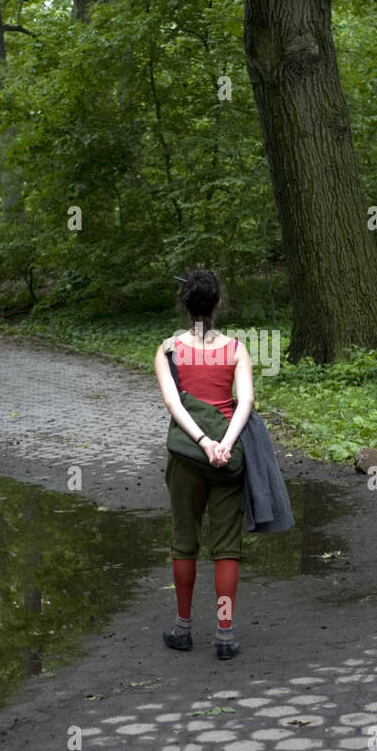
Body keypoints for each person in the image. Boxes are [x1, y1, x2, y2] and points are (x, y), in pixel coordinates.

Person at [154, 269, 253, 661]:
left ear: (184, 306)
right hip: (227, 459)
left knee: (184, 542)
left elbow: (173, 403)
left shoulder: (168, 350)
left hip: (186, 457)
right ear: (217, 303)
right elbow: (245, 402)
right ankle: (224, 635)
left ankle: (183, 629)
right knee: (226, 549)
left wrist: (202, 442)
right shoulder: (236, 349)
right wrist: (223, 444)